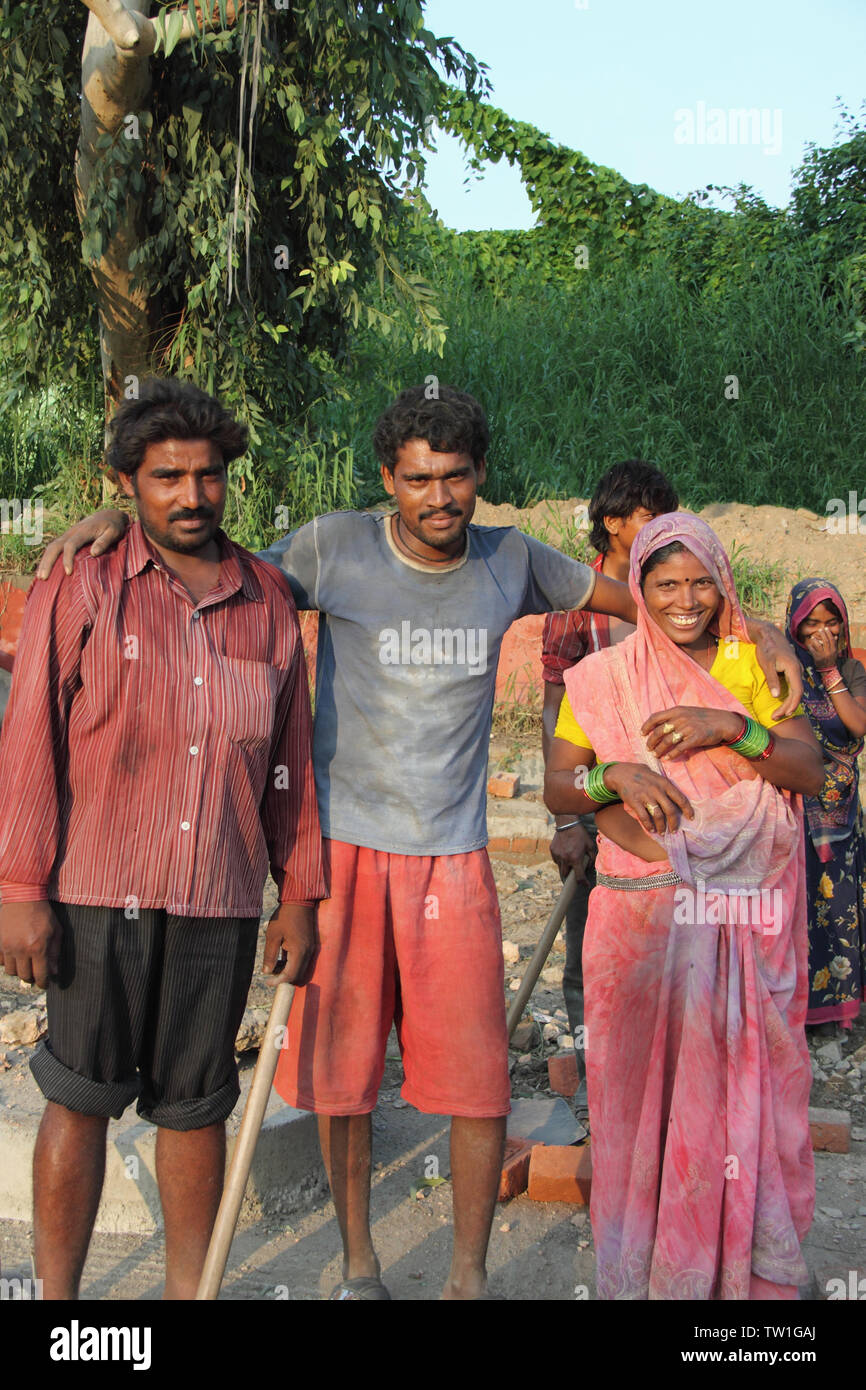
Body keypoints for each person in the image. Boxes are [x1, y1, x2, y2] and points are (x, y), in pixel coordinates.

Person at [37, 387, 802, 1302]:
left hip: (454, 857)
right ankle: (360, 1262)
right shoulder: (333, 547)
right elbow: (207, 562)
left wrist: (759, 634)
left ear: (481, 476)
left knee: (477, 1084)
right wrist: (118, 521)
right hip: (345, 856)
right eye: (418, 480)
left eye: (456, 477)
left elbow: (643, 597)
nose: (439, 498)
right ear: (388, 481)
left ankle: (467, 1278)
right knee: (346, 1081)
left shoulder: (512, 560)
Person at [0, 379, 326, 1300]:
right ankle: (60, 1305)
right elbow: (29, 739)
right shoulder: (82, 581)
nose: (191, 495)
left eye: (209, 476)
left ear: (229, 480)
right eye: (166, 477)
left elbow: (290, 759)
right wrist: (19, 888)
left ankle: (191, 1295)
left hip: (217, 901)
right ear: (127, 482)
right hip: (98, 891)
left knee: (197, 1107)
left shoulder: (266, 600)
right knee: (78, 1096)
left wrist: (298, 893)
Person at [545, 512, 823, 1300]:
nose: (686, 599)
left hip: (743, 919)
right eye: (665, 583)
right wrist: (616, 779)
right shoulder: (606, 677)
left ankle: (734, 1280)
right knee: (639, 1103)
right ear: (639, 588)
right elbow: (560, 785)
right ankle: (651, 1274)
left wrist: (728, 727)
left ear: (724, 580)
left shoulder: (753, 664)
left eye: (702, 580)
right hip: (639, 918)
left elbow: (806, 771)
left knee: (738, 1100)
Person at [541, 461, 679, 1044]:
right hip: (596, 791)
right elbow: (553, 707)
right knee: (591, 937)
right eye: (650, 517)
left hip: (670, 795)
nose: (661, 528)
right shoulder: (578, 600)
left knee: (670, 937)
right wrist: (569, 816)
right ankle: (593, 1064)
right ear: (612, 523)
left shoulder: (671, 592)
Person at [785, 579, 866, 1032]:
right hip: (797, 814)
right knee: (798, 904)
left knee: (837, 909)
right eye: (811, 624)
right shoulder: (785, 670)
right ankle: (797, 1007)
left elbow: (857, 727)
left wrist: (830, 669)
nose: (822, 632)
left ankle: (837, 1008)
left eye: (831, 622)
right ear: (795, 629)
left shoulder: (851, 669)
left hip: (841, 821)